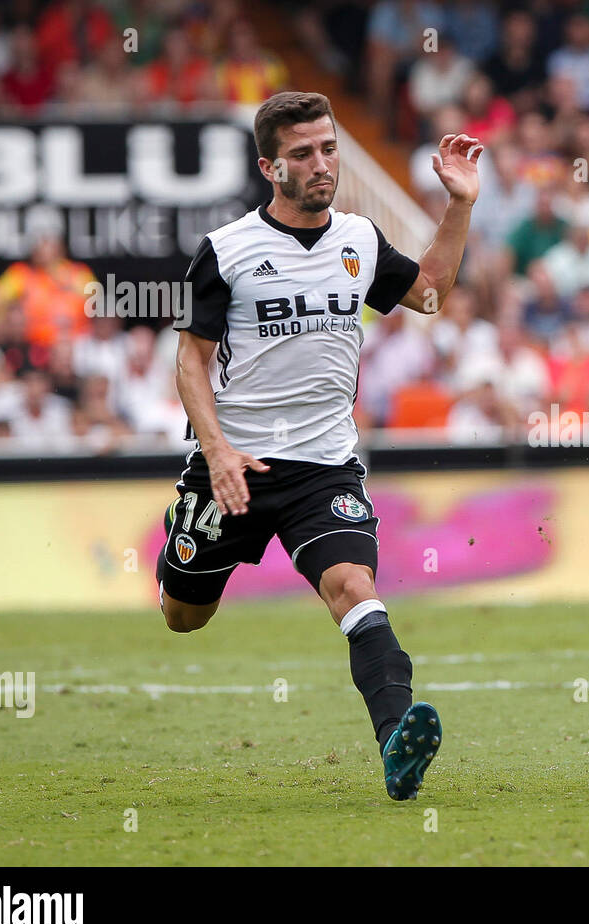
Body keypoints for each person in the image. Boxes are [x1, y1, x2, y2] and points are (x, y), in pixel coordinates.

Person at [158, 91, 481, 800]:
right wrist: (215, 455)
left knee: (354, 590)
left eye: (329, 148)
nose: (322, 163)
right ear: (271, 165)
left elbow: (429, 294)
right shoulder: (227, 251)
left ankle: (398, 740)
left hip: (324, 466)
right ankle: (182, 535)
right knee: (183, 615)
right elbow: (190, 361)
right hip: (232, 466)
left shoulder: (359, 241)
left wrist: (458, 206)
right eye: (304, 153)